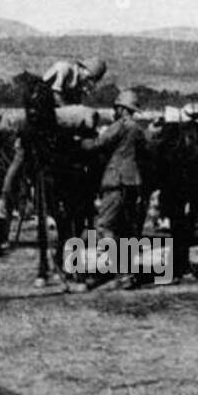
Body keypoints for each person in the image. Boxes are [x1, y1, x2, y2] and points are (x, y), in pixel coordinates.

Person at [0, 57, 106, 228]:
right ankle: (4, 197)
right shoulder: (64, 69)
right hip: (40, 117)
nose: (88, 83)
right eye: (90, 79)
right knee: (21, 155)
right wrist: (70, 111)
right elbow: (56, 95)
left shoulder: (79, 85)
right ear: (85, 71)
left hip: (57, 124)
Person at [77, 89, 147, 287]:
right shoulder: (138, 129)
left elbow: (99, 144)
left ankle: (116, 271)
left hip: (115, 181)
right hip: (133, 183)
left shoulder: (120, 126)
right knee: (125, 229)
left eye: (117, 108)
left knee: (104, 226)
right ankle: (127, 274)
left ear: (122, 108)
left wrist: (79, 142)